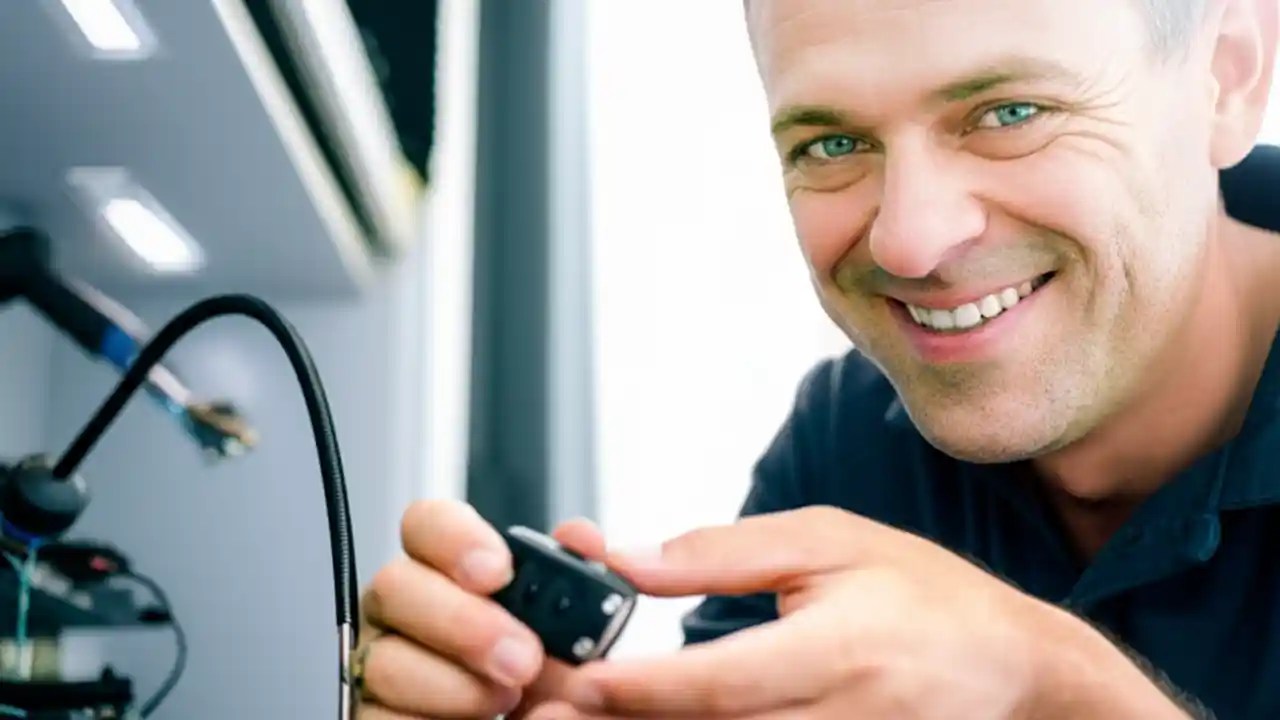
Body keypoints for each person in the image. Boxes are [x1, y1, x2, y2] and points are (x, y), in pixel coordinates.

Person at [352, 0, 1280, 717]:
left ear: (1229, 76)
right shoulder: (852, 437)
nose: (910, 241)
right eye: (832, 143)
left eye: (1010, 112)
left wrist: (1053, 687)